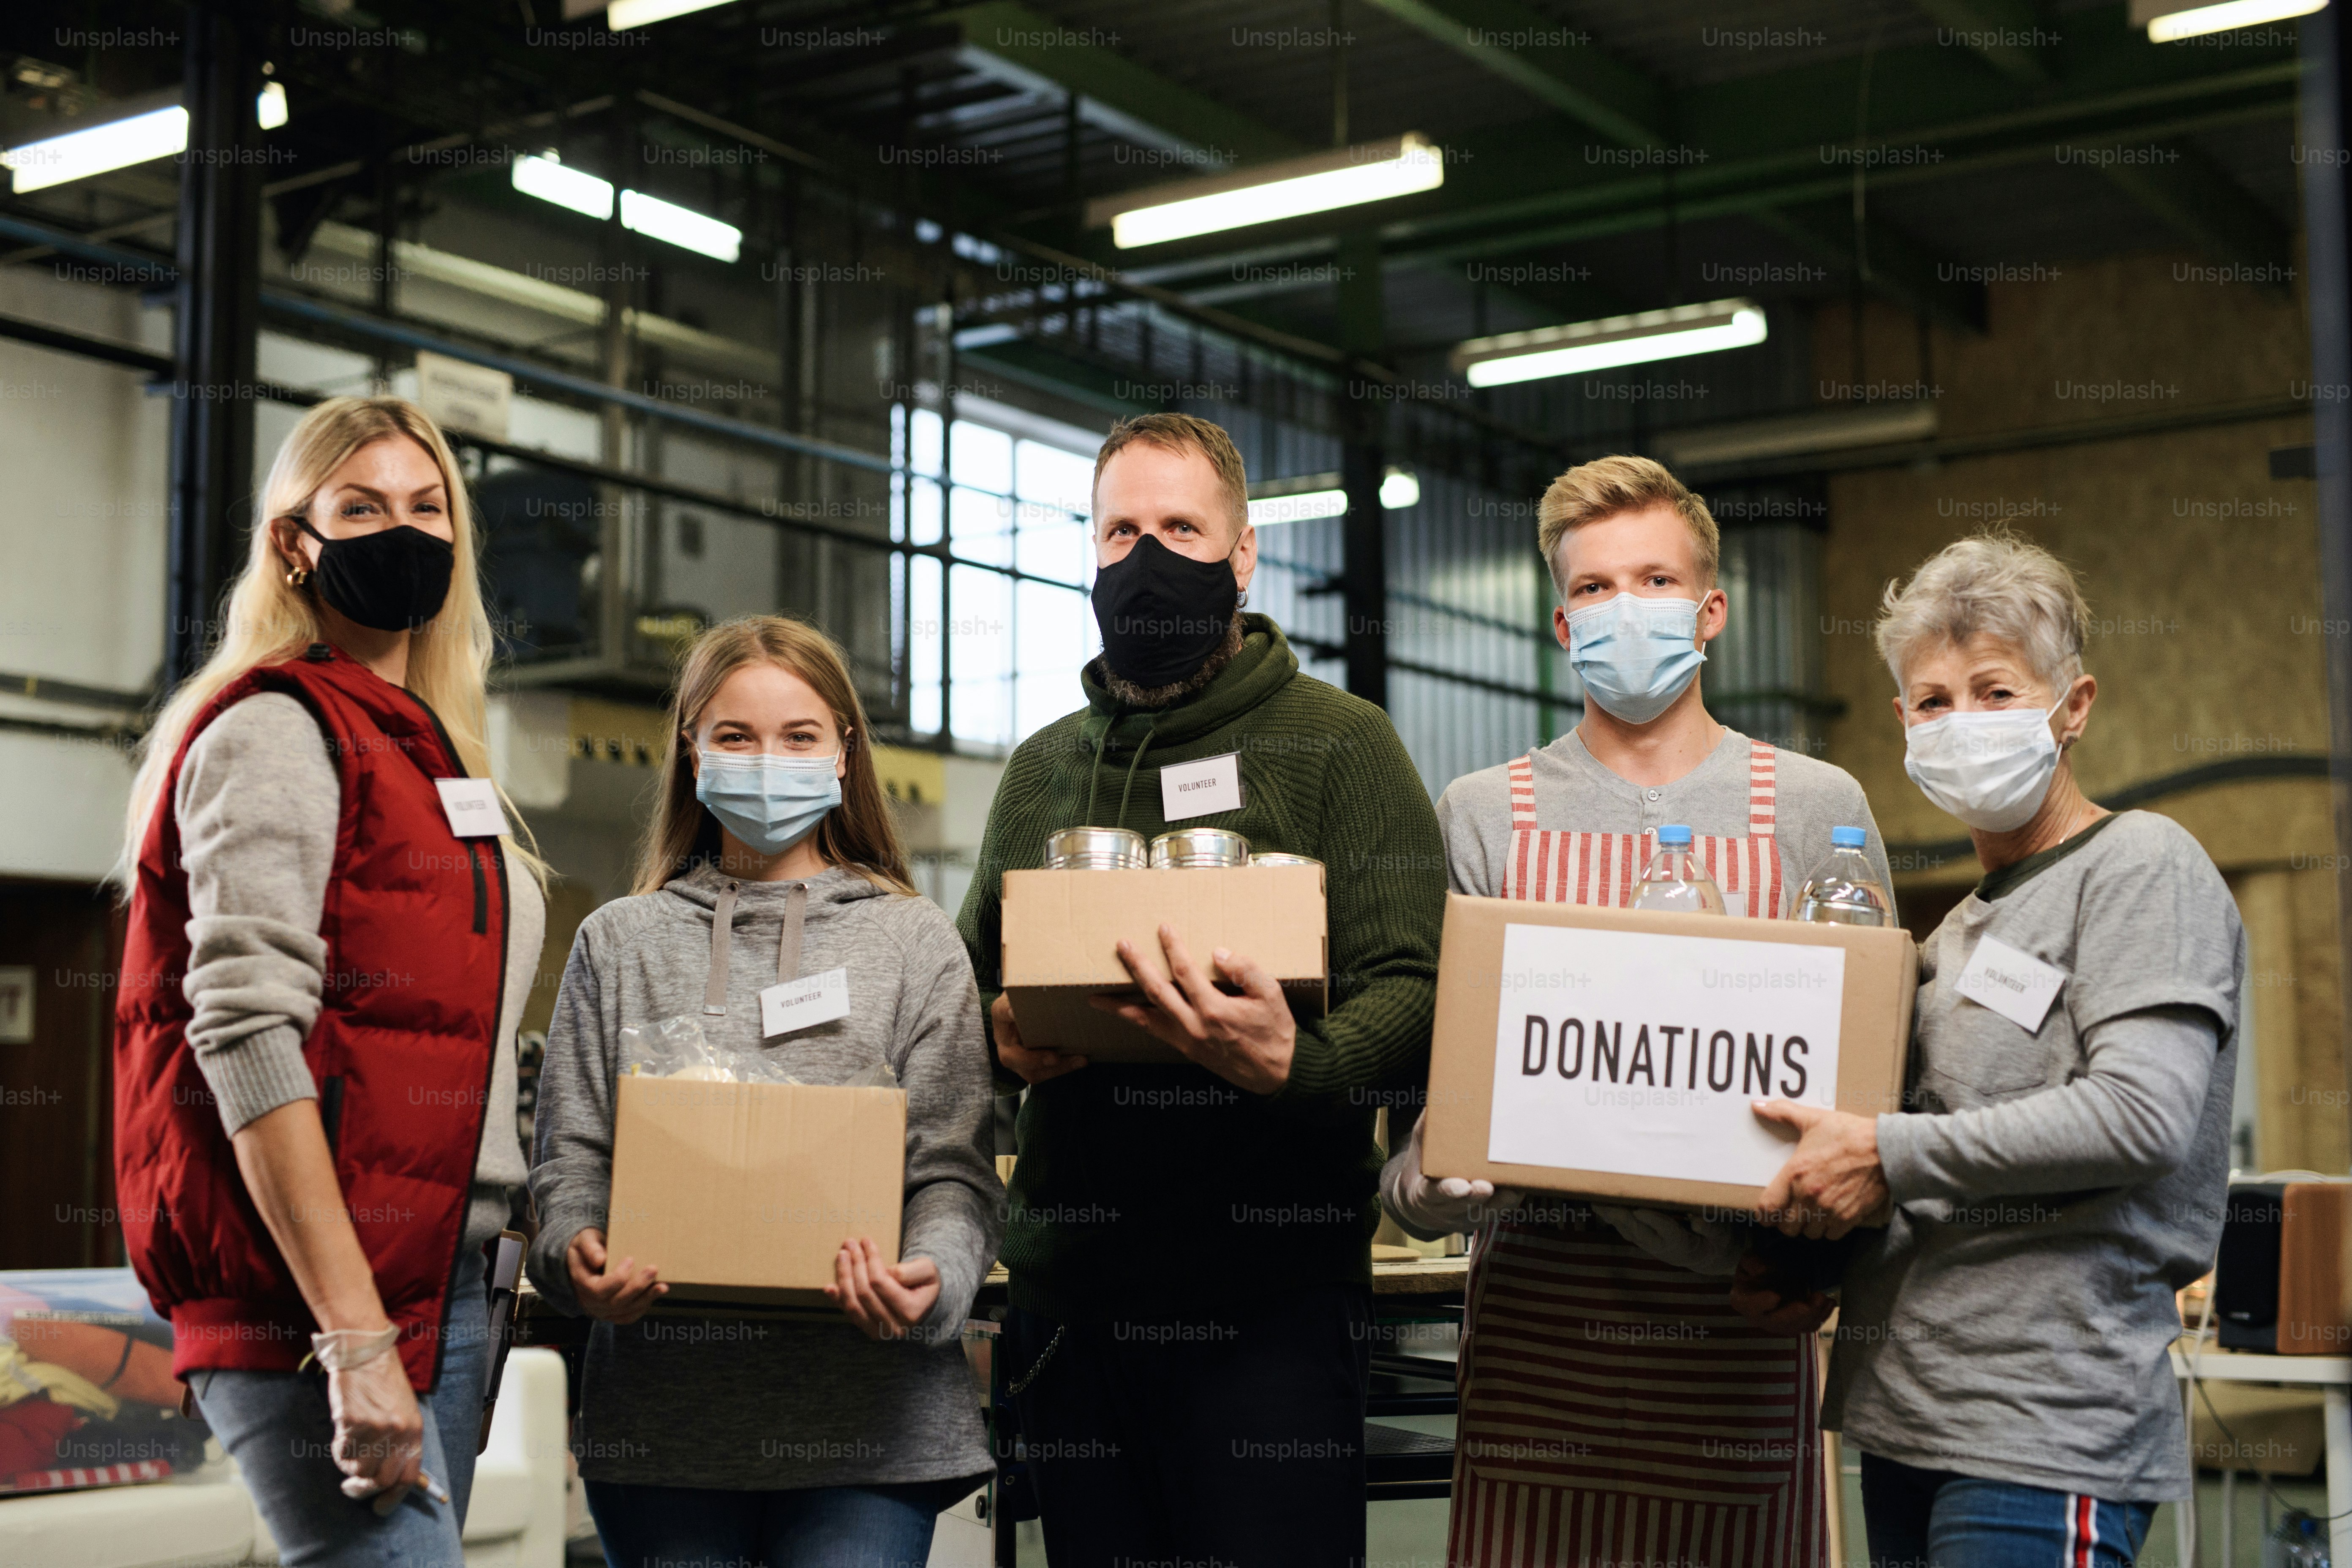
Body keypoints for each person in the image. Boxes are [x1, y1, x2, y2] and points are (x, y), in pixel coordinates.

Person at [1381, 454, 1894, 1567]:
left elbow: (1877, 1108)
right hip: (1539, 1350)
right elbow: (1417, 1145)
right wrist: (1434, 1178)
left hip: (1737, 1347)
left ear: (1711, 610)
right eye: (1595, 587)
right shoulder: (1484, 815)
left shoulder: (1816, 808)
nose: (1626, 609)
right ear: (1563, 627)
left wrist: (1814, 1267)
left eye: (1656, 582)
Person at [957, 412, 1447, 1568]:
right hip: (1075, 1309)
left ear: (1244, 553)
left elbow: (1417, 983)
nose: (1146, 559)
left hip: (1270, 1306)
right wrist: (999, 1038)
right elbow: (968, 986)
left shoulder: (1342, 745)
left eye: (1180, 528)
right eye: (1119, 532)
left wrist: (1303, 1063)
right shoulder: (1042, 770)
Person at [114, 396, 548, 1566]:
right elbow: (248, 1033)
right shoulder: (277, 729)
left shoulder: (426, 745)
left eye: (427, 506)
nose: (402, 531)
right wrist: (352, 1333)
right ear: (294, 543)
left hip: (443, 1279)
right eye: (360, 507)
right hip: (311, 1295)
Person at [1761, 530, 2243, 1568]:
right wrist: (1812, 1250)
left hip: (2045, 1424)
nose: (1963, 723)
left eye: (1996, 691)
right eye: (1933, 701)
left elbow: (2141, 1115)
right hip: (1906, 1414)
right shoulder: (1952, 938)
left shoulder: (2142, 866)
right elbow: (1936, 1159)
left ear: (2073, 706)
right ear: (1902, 722)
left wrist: (1879, 1151)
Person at [527, 615, 1001, 1568]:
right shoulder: (619, 942)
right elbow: (569, 1164)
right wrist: (576, 1254)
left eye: (799, 736)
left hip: (871, 1424)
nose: (768, 761)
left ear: (843, 754)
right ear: (692, 751)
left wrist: (934, 1275)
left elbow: (953, 1171)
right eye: (736, 736)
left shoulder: (915, 941)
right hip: (665, 1430)